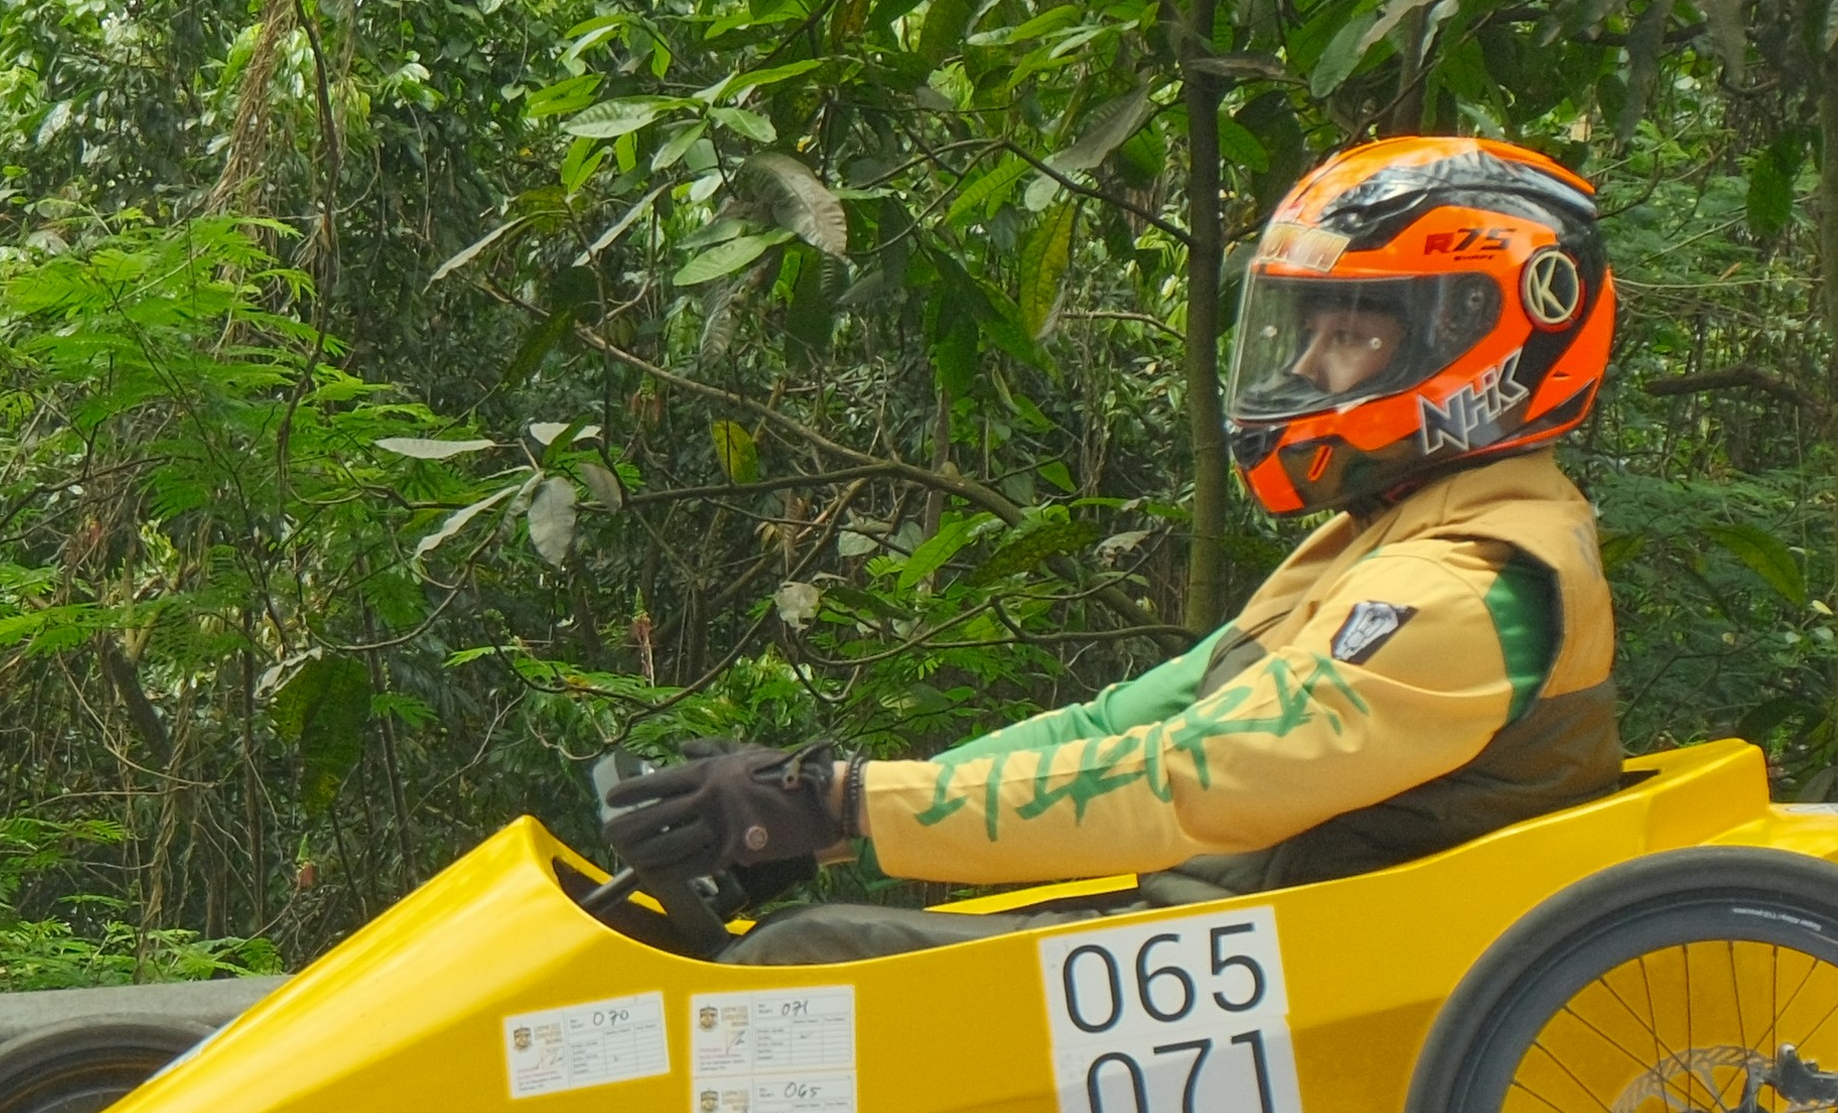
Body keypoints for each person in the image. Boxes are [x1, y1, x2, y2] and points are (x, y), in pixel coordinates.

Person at [600, 135, 1630, 952]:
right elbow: (1121, 720)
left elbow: (1182, 778)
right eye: (1307, 331)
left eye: (1354, 336)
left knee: (802, 962)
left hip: (1298, 975)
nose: (1309, 369)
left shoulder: (1465, 588)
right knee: (806, 936)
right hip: (1240, 931)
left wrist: (843, 802)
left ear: (1484, 349)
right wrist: (824, 820)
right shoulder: (1391, 537)